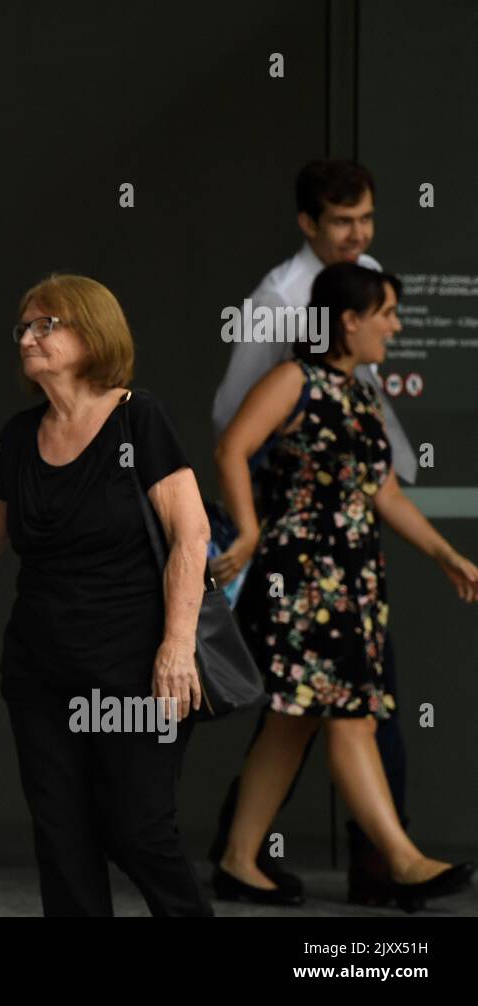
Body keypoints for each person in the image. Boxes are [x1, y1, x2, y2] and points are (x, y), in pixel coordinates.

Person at [211, 263, 477, 910]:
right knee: (350, 718)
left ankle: (238, 860)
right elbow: (232, 449)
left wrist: (446, 553)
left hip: (353, 583)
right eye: (386, 311)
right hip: (304, 580)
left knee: (291, 723)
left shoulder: (360, 395)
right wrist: (246, 531)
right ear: (349, 320)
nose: (396, 323)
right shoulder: (292, 379)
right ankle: (404, 860)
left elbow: (383, 492)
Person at [208, 160, 416, 903]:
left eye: (365, 220)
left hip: (351, 535)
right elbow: (235, 424)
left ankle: (250, 855)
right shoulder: (280, 299)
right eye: (340, 223)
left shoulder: (367, 276)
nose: (356, 236)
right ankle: (388, 862)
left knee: (314, 709)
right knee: (342, 707)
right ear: (308, 224)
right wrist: (266, 523)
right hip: (305, 543)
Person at [0, 274, 213, 917]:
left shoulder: (140, 418)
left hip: (134, 668)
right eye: (23, 328)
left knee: (138, 828)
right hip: (39, 671)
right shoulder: (21, 438)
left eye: (45, 324)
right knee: (63, 840)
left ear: (92, 330)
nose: (28, 337)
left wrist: (178, 646)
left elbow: (191, 536)